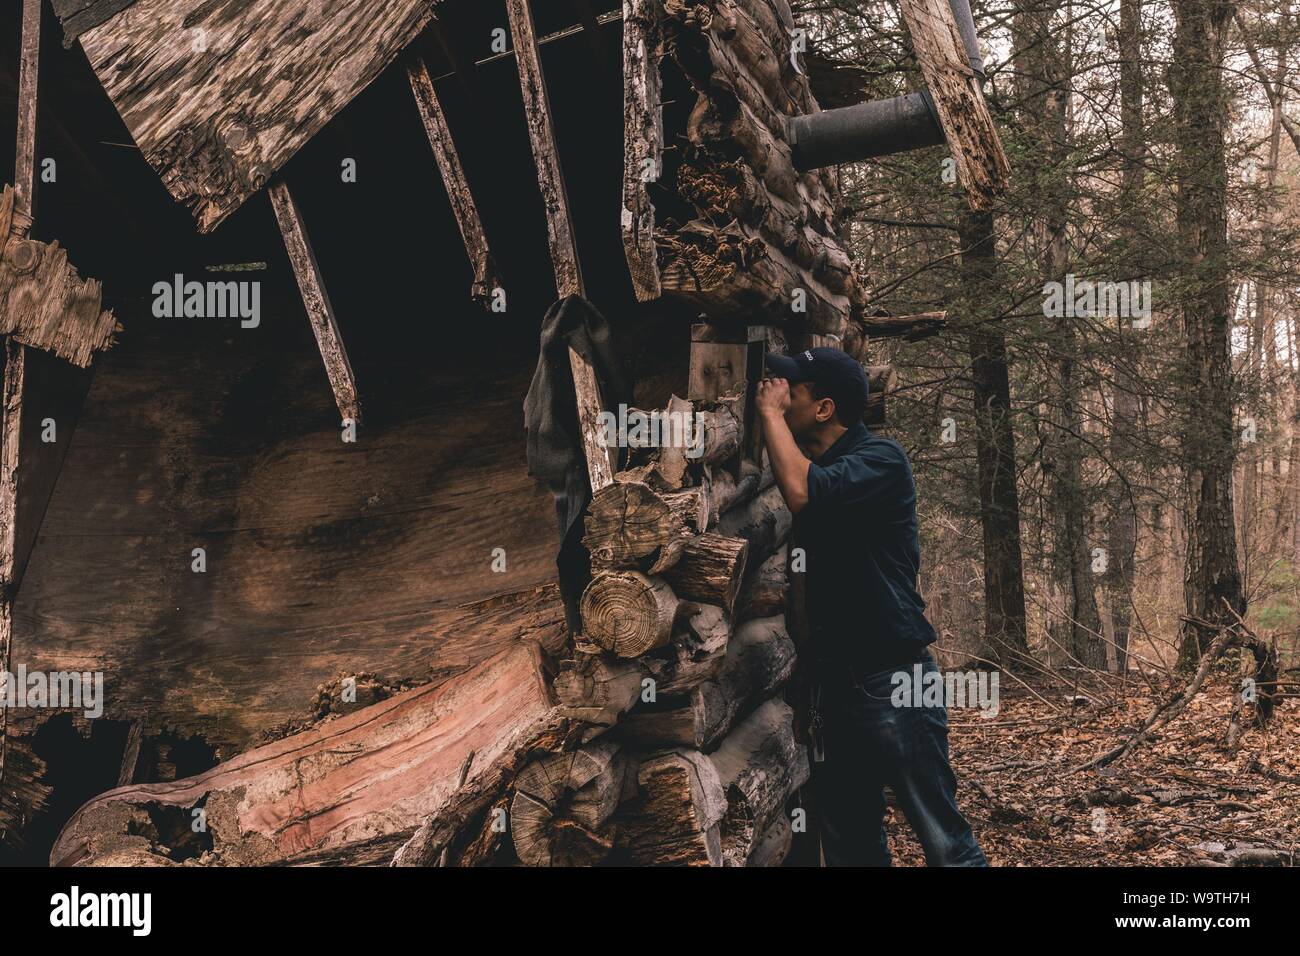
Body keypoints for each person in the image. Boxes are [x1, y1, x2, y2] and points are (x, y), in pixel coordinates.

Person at [756, 347, 987, 867]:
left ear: (823, 409)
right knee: (851, 846)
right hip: (833, 688)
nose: (776, 389)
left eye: (791, 386)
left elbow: (802, 493)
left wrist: (769, 415)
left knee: (943, 839)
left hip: (895, 677)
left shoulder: (881, 461)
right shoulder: (820, 461)